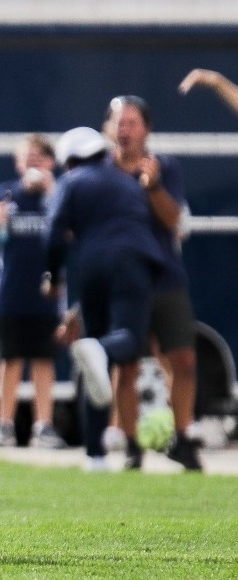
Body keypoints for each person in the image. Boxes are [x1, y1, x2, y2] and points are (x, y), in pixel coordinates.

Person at [42, 126, 163, 473]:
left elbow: (53, 232)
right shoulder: (126, 182)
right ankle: (102, 349)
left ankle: (95, 455)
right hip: (134, 264)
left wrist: (52, 276)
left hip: (90, 266)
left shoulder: (72, 181)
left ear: (71, 160)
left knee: (94, 363)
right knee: (127, 339)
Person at [104, 96, 200, 471]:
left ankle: (183, 438)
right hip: (123, 282)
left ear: (147, 129)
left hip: (166, 278)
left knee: (184, 360)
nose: (125, 129)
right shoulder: (102, 172)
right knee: (126, 366)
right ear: (109, 128)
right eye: (119, 122)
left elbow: (173, 219)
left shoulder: (165, 168)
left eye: (132, 122)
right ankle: (130, 445)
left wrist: (153, 185)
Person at [0, 134, 67, 449]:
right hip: (9, 294)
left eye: (40, 157)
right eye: (27, 157)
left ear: (51, 162)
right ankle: (4, 425)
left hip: (47, 293)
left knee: (43, 360)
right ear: (18, 163)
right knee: (9, 360)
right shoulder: (4, 193)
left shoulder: (59, 193)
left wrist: (52, 190)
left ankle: (44, 426)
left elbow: (71, 231)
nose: (33, 163)